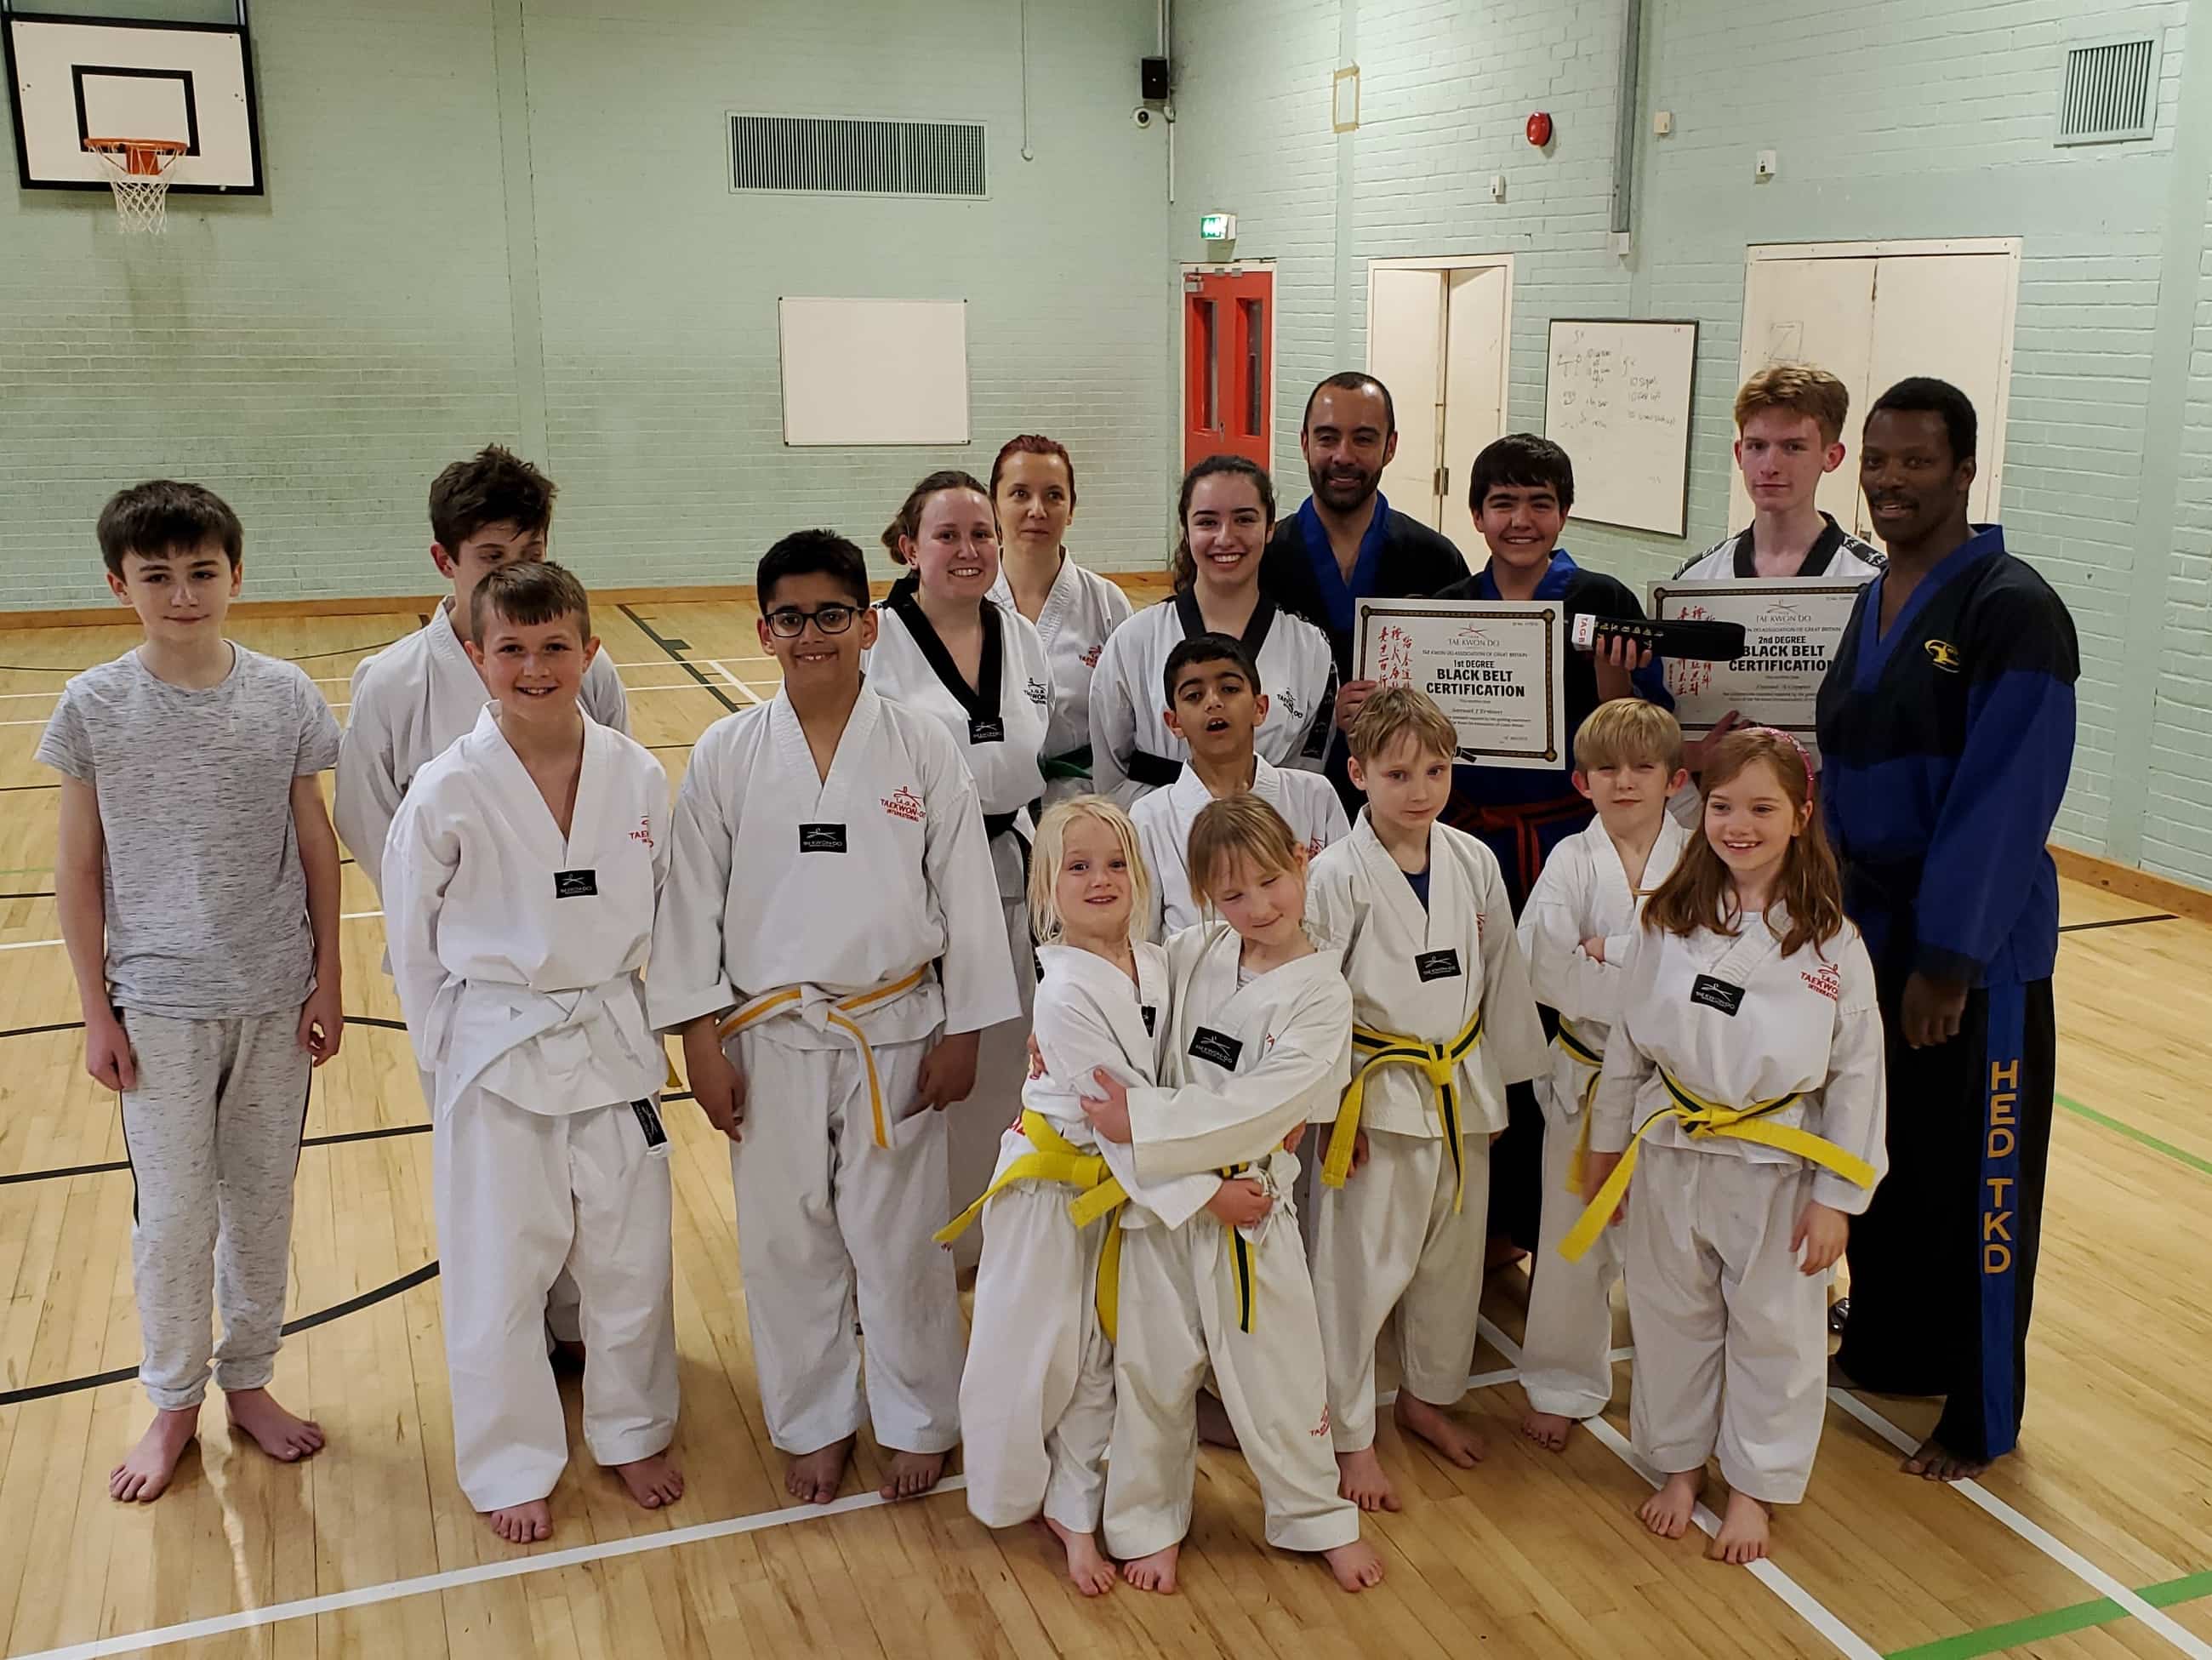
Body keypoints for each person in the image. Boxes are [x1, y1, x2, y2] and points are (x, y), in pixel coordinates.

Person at [648, 530, 1018, 1507]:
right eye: (790, 617)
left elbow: (966, 892)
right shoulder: (728, 753)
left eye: (830, 615)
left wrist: (966, 1029)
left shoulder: (921, 747)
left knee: (900, 1238)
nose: (810, 634)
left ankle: (917, 1419)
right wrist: (699, 1040)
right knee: (786, 1241)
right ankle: (813, 1422)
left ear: (867, 624)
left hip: (895, 1027)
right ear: (762, 631)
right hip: (766, 1036)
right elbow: (690, 904)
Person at [42, 480, 343, 1503]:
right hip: (157, 1009)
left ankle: (249, 1380)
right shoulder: (93, 706)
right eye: (157, 576)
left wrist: (328, 979)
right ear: (117, 584)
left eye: (202, 572)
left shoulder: (285, 694)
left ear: (236, 577)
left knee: (261, 1204)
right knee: (172, 1220)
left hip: (273, 998)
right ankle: (172, 1399)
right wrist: (96, 1009)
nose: (182, 594)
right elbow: (78, 868)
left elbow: (315, 840)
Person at [382, 562, 681, 1543]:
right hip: (496, 1047)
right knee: (499, 1268)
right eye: (511, 648)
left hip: (610, 1037)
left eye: (555, 646)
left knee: (628, 1259)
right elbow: (411, 944)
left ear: (589, 652)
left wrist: (667, 1025)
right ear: (477, 656)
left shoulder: (635, 774)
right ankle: (510, 1458)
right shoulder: (446, 788)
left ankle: (632, 1429)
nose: (535, 666)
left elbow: (671, 911)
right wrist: (445, 1057)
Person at [1818, 377, 2078, 1482]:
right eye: (1877, 460)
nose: (1891, 481)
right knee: (1890, 1155)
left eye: (1916, 461)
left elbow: (2005, 797)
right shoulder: (1875, 595)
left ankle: (1979, 1412)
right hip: (1871, 926)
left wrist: (1948, 958)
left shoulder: (2013, 608)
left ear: (1965, 470)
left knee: (1980, 1180)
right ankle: (1888, 1345)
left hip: (1974, 950)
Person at [334, 443, 626, 1352]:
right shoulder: (393, 682)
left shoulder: (591, 671)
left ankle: (577, 1322)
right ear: (444, 560)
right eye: (492, 557)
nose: (514, 573)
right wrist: (454, 924)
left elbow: (614, 803)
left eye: (531, 552)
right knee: (493, 1175)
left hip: (577, 971)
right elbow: (368, 820)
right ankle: (509, 1339)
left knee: (591, 1164)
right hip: (465, 979)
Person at [1575, 728, 1887, 1564]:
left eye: (1761, 808)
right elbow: (1626, 1049)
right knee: (1669, 1317)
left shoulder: (1832, 943)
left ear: (1801, 815)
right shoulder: (1666, 920)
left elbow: (1857, 1078)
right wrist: (1605, 1151)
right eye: (1721, 806)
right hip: (1671, 1147)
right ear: (1699, 809)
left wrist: (1838, 1199)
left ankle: (1754, 1484)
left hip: (1779, 1165)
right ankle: (1678, 1464)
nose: (1738, 826)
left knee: (1776, 1331)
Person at [1082, 796, 1383, 1594]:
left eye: (1271, 880)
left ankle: (1317, 1516)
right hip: (1163, 1201)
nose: (1258, 906)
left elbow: (1266, 1105)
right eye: (1233, 893)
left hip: (1251, 1204)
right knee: (1151, 1372)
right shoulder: (1194, 950)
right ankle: (1147, 1523)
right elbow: (1129, 1006)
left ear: (1301, 859)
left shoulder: (1321, 993)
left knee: (1283, 1374)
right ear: (1205, 897)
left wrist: (1143, 1119)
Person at [938, 799, 1211, 1596]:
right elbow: (1124, 1116)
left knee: (1102, 1359)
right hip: (1052, 1192)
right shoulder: (1061, 991)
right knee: (1031, 1357)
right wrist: (1209, 1195)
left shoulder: (1158, 963)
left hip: (1122, 1193)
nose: (1101, 880)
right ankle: (1007, 1487)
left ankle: (1074, 1509)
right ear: (1046, 887)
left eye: (1117, 863)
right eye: (1078, 866)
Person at [1304, 687, 1547, 1513]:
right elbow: (1315, 996)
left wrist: (1503, 1085)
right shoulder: (1335, 875)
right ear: (1357, 773)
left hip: (1458, 1087)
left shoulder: (1471, 860)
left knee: (1451, 1263)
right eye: (1398, 773)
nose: (1420, 789)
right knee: (1358, 1271)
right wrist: (1333, 1105)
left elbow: (1502, 972)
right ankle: (1347, 1432)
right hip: (1375, 1097)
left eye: (1436, 771)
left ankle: (1426, 1397)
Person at [1431, 433, 1669, 1261]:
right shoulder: (1447, 605)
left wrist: (1613, 675)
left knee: (1556, 1026)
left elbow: (1637, 729)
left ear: (1564, 512)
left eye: (1539, 502)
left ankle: (1546, 1221)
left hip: (1566, 837)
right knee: (1479, 1017)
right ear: (1475, 515)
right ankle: (1487, 1220)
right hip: (1473, 838)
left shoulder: (1601, 599)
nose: (1520, 519)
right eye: (1502, 503)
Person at [867, 471, 1053, 1263]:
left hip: (1011, 864)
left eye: (982, 534)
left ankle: (986, 1247)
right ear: (910, 547)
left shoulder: (1022, 636)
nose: (969, 549)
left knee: (1004, 1060)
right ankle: (903, 1256)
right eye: (947, 535)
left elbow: (1036, 753)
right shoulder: (875, 638)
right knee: (916, 1071)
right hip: (912, 877)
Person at [1514, 700, 1690, 1452]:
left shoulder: (1699, 859)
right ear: (1581, 781)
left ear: (1675, 779)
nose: (1625, 782)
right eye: (1607, 769)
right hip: (1585, 1077)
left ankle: (1676, 1401)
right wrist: (1648, 969)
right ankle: (1561, 1379)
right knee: (1569, 1236)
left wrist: (1609, 952)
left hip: (1672, 1086)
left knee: (1672, 1249)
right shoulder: (1570, 860)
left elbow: (1706, 973)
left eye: (1643, 767)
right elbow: (1544, 969)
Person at [1260, 373, 1469, 800]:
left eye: (1363, 439)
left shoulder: (1435, 559)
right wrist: (1321, 716)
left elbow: (1464, 683)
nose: (1343, 455)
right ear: (1304, 443)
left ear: (1390, 447)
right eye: (1327, 438)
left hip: (1405, 793)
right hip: (1288, 791)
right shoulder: (1264, 560)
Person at [1090, 455, 1333, 807]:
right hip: (1155, 826)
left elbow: (1306, 778)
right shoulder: (1134, 640)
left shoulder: (1310, 647)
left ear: (1269, 528)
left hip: (1266, 826)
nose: (1225, 537)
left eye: (1244, 519)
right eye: (1207, 522)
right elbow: (1109, 772)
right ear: (1186, 530)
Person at [1133, 634, 1349, 935]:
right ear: (1174, 722)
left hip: (1310, 962)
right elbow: (1142, 939)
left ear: (1260, 708)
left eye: (1230, 689)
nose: (1213, 702)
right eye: (1194, 695)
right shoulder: (1150, 818)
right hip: (1196, 967)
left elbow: (1345, 908)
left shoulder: (1314, 795)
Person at [987, 435, 1133, 801]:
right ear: (994, 506)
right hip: (988, 797)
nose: (1037, 510)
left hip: (1084, 796)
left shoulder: (1106, 603)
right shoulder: (968, 600)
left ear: (1070, 509)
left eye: (1053, 495)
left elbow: (1133, 718)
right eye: (1020, 494)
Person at [1673, 365, 1885, 583]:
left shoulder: (1874, 581)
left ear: (1832, 457)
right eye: (1757, 446)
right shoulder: (1694, 580)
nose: (1770, 467)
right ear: (1739, 454)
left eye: (1793, 447)